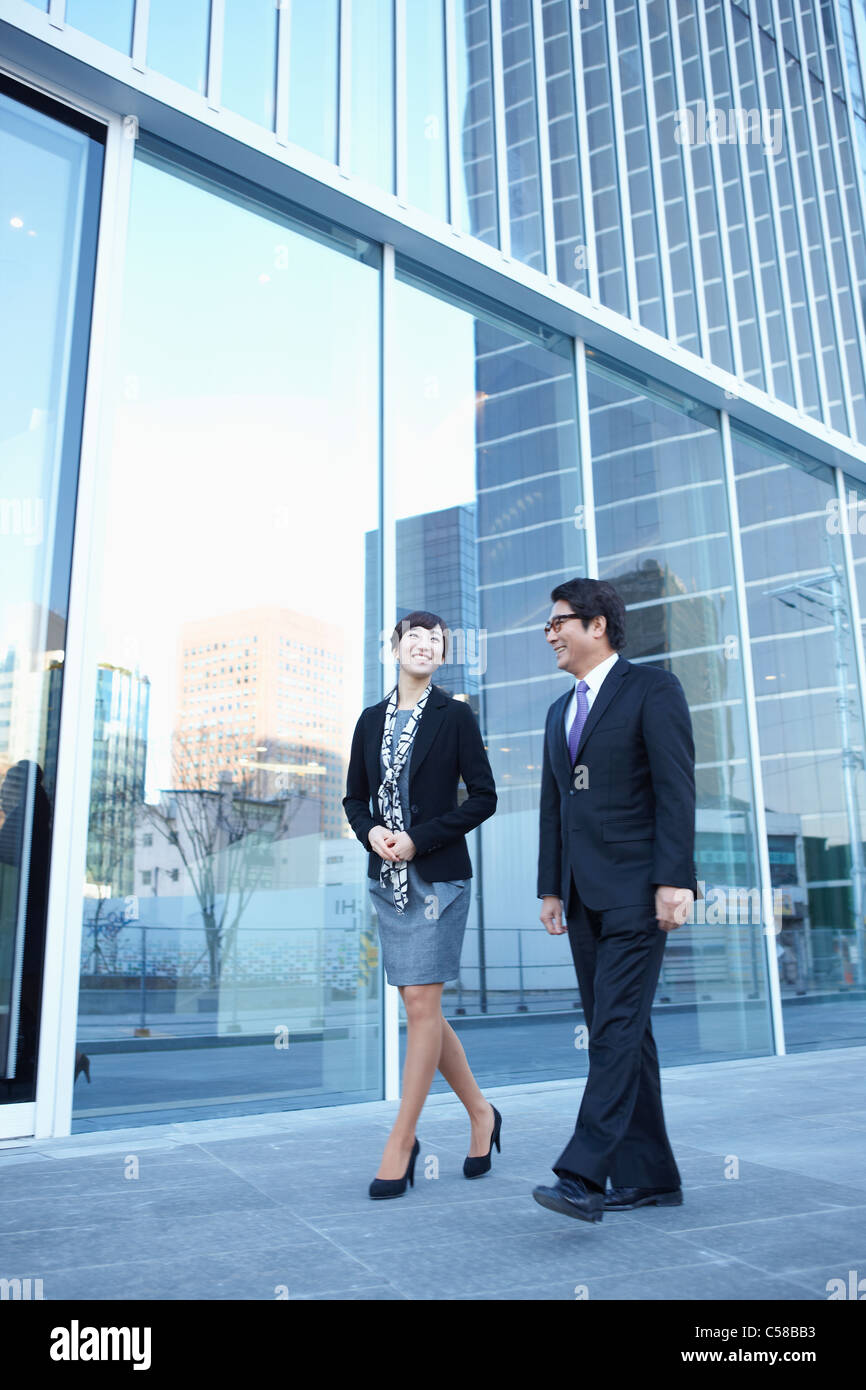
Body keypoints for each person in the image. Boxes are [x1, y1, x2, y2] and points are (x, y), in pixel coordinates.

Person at [532, 578, 697, 1223]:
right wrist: (550, 886)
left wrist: (674, 878)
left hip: (636, 890)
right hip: (582, 896)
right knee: (630, 1033)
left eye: (558, 623)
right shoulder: (557, 712)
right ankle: (653, 1177)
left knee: (614, 1030)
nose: (550, 634)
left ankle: (583, 1173)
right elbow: (555, 807)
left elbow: (676, 788)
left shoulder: (652, 689)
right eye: (548, 626)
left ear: (596, 625)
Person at [343, 611, 499, 1198]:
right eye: (415, 638)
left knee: (421, 1003)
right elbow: (354, 798)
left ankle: (401, 1141)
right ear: (394, 649)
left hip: (438, 876)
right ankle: (481, 1113)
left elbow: (484, 798)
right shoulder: (368, 721)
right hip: (388, 877)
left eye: (436, 641)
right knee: (420, 1007)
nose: (426, 646)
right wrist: (373, 834)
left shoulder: (454, 716)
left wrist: (421, 835)